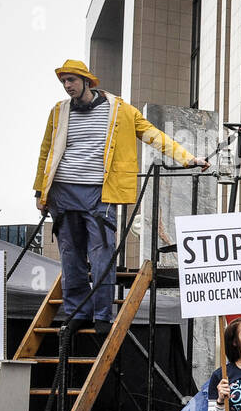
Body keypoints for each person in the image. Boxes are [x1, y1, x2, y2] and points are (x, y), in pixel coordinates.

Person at [35, 60, 206, 335]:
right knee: (70, 256)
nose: (67, 86)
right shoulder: (58, 111)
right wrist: (39, 191)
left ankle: (102, 315)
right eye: (64, 81)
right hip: (62, 191)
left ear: (87, 81)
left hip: (100, 192)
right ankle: (78, 313)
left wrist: (188, 159)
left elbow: (152, 134)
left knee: (102, 254)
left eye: (71, 81)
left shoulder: (120, 110)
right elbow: (46, 152)